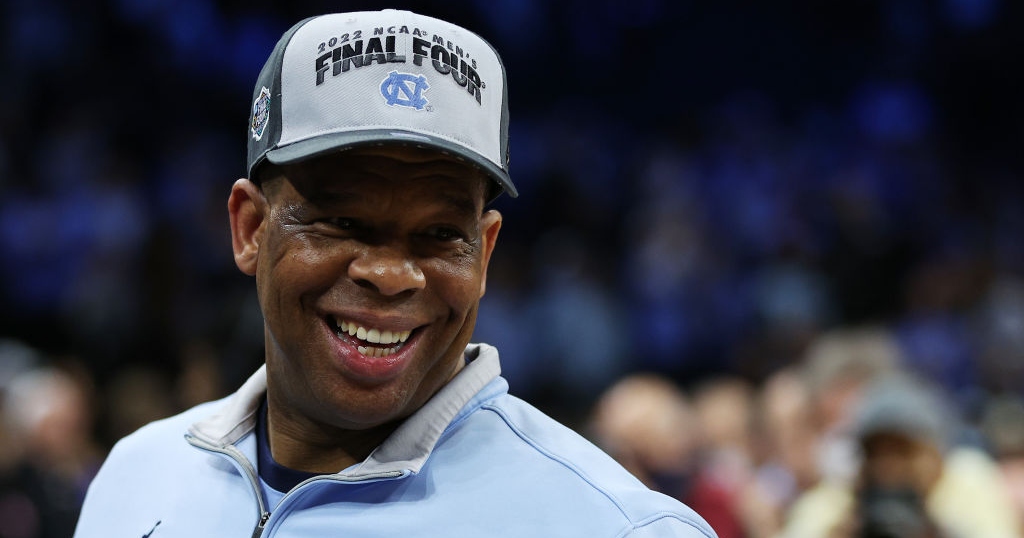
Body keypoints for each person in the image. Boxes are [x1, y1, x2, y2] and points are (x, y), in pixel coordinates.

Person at [73, 10, 717, 538]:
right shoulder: (139, 475)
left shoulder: (618, 527)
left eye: (440, 235)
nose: (391, 273)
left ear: (485, 254)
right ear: (249, 229)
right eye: (341, 221)